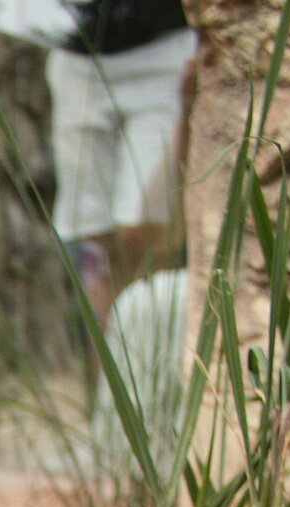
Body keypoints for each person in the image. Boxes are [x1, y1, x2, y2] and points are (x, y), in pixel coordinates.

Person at [45, 0, 196, 325]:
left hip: (163, 46)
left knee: (149, 229)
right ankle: (105, 373)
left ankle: (145, 363)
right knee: (91, 242)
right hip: (74, 49)